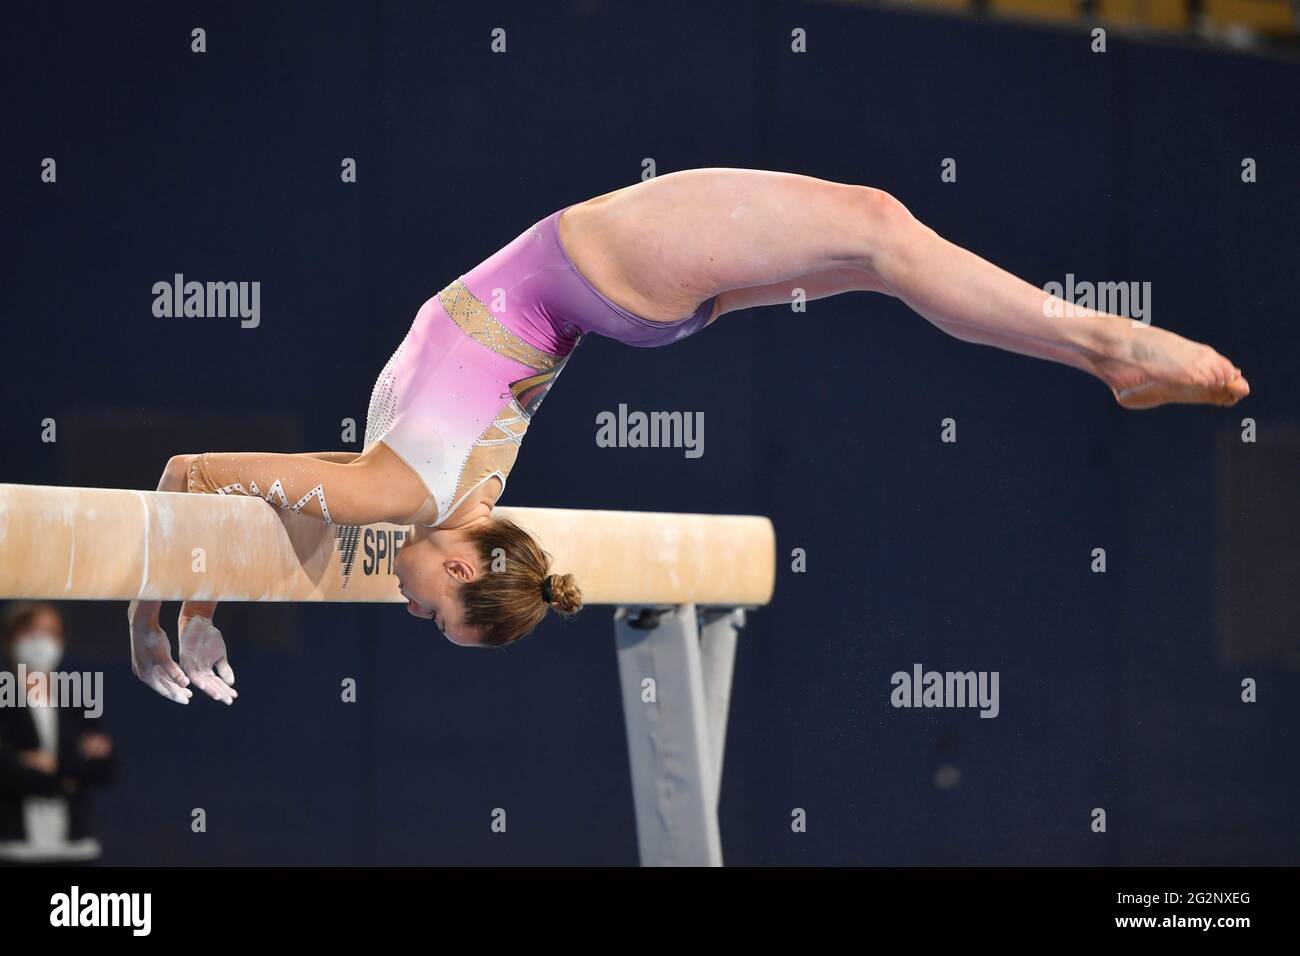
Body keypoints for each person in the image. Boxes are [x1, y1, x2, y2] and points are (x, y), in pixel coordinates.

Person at [127, 168, 1249, 703]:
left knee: (874, 248)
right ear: (475, 556)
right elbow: (244, 491)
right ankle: (1101, 348)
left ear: (470, 566)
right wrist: (179, 615)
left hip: (604, 288)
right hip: (592, 280)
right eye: (432, 613)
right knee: (875, 237)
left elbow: (202, 478)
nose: (409, 604)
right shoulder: (423, 502)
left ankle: (1102, 351)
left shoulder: (406, 497)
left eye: (428, 610)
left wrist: (171, 619)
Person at [0, 602, 114, 864]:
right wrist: (68, 776)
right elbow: (5, 771)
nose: (42, 641)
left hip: (75, 847)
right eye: (33, 632)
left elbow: (104, 767)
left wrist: (47, 766)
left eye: (51, 633)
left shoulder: (77, 699)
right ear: (11, 638)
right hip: (14, 847)